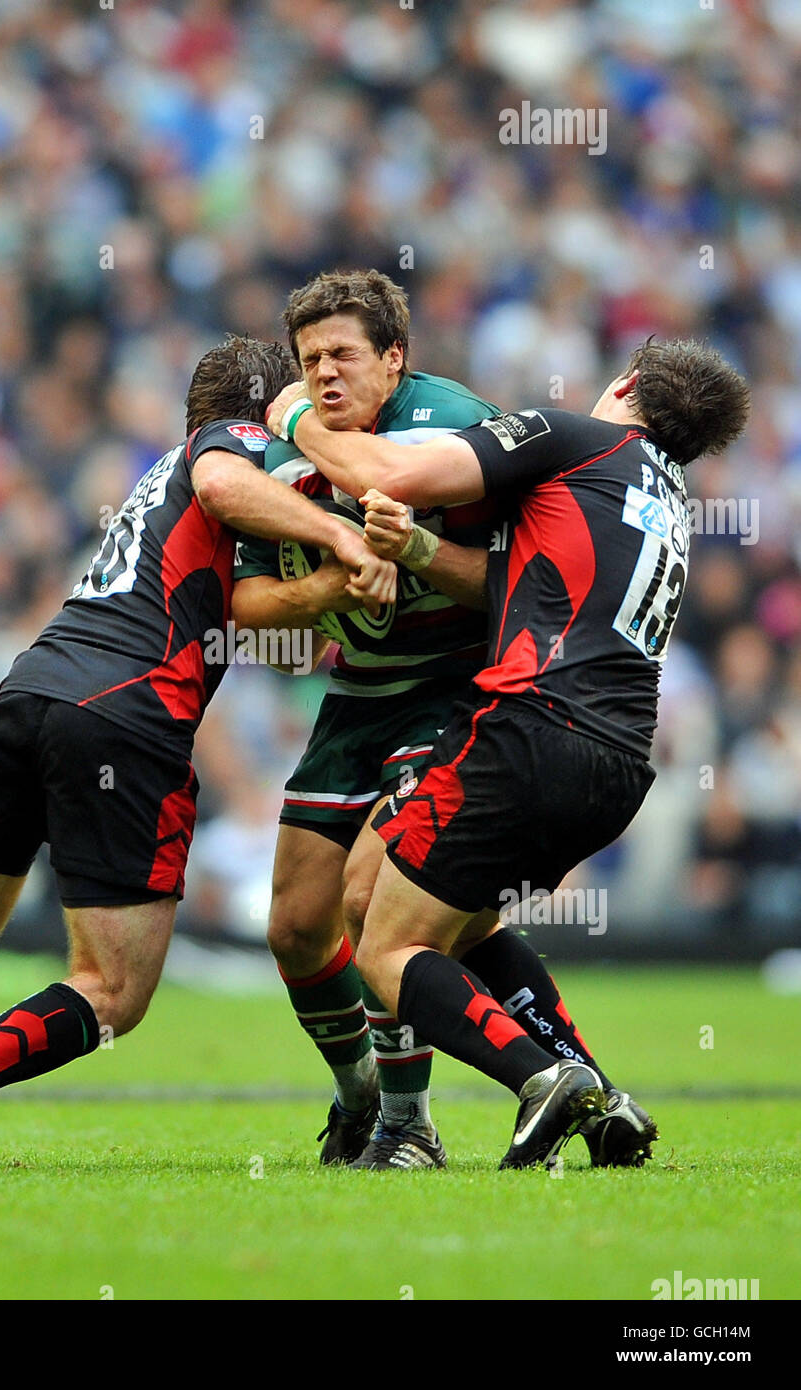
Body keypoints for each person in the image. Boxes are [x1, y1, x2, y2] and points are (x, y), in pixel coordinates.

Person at [0, 335, 397, 1171]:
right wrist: (345, 543)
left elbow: (234, 608)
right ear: (267, 408)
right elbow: (224, 478)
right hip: (125, 717)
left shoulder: (163, 483)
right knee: (115, 989)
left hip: (32, 694)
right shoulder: (231, 452)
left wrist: (322, 594)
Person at [265, 337, 750, 1167]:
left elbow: (394, 473)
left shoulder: (577, 437)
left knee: (384, 947)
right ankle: (602, 1103)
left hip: (531, 728)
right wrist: (418, 549)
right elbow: (518, 587)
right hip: (618, 762)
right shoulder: (662, 498)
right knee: (444, 914)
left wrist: (298, 417)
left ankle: (540, 1079)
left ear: (627, 384)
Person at [235, 270, 627, 1171]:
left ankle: (410, 1127)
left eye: (343, 355)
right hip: (358, 698)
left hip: (458, 690)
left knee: (377, 903)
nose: (324, 374)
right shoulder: (277, 459)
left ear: (394, 359)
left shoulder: (450, 424)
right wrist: (333, 581)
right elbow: (248, 606)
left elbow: (522, 586)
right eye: (308, 361)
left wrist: (413, 549)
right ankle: (378, 1097)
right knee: (297, 925)